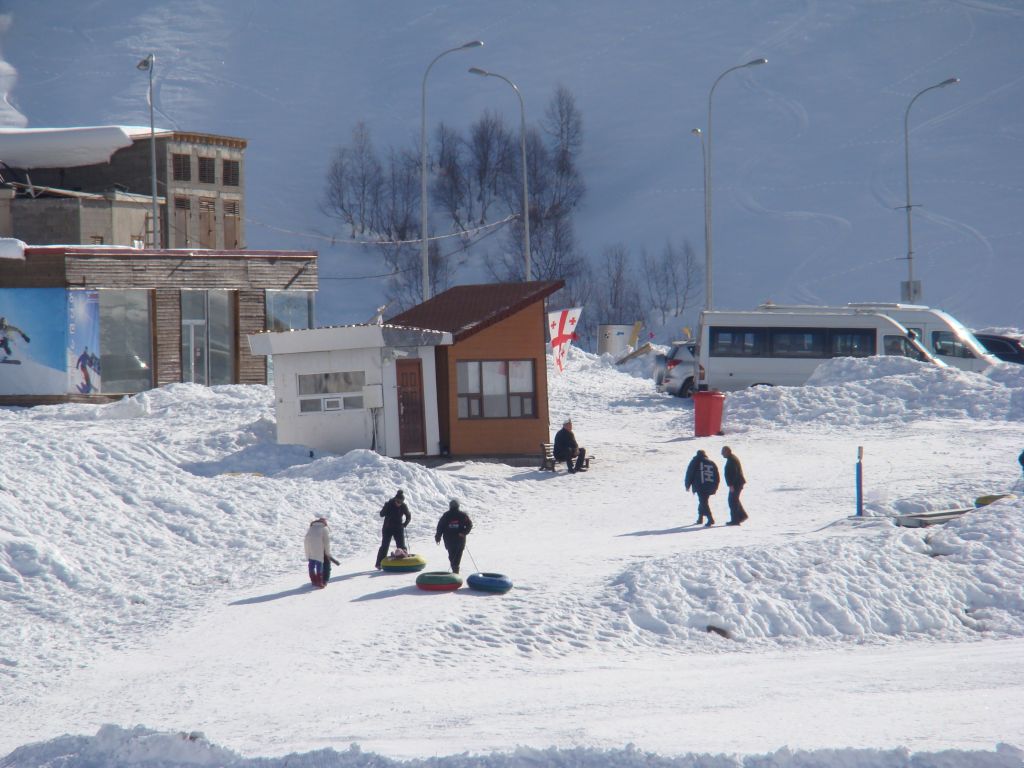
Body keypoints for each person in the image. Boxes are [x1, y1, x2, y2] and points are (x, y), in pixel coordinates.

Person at [375, 489, 411, 569]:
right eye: (398, 502)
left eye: (400, 502)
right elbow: (381, 514)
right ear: (395, 499)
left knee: (401, 546)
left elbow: (408, 516)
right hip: (387, 528)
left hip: (398, 528)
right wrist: (386, 508)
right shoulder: (389, 504)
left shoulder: (403, 506)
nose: (399, 504)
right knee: (384, 546)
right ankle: (379, 563)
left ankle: (404, 561)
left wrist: (405, 524)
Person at [434, 499, 473, 574]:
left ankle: (455, 570)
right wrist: (464, 533)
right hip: (458, 539)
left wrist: (438, 537)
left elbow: (440, 527)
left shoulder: (458, 515)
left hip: (451, 539)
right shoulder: (458, 515)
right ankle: (455, 570)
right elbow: (469, 525)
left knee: (452, 555)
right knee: (457, 556)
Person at [684, 449, 720, 527]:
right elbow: (717, 475)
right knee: (703, 501)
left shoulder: (695, 461)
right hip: (710, 485)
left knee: (703, 502)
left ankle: (710, 519)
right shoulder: (711, 462)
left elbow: (690, 473)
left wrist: (687, 485)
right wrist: (715, 486)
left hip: (700, 485)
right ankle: (700, 518)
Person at [304, 516, 337, 589]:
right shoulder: (324, 528)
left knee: (311, 564)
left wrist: (307, 552)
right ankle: (320, 581)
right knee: (320, 564)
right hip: (319, 549)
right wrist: (327, 553)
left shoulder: (311, 528)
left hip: (310, 549)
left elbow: (306, 540)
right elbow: (326, 542)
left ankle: (313, 580)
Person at [721, 446, 749, 526]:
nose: (722, 454)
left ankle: (735, 520)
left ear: (727, 452)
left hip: (736, 484)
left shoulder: (732, 460)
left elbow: (734, 474)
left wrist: (731, 485)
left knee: (732, 501)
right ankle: (742, 516)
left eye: (723, 452)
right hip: (737, 483)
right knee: (734, 500)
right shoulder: (731, 459)